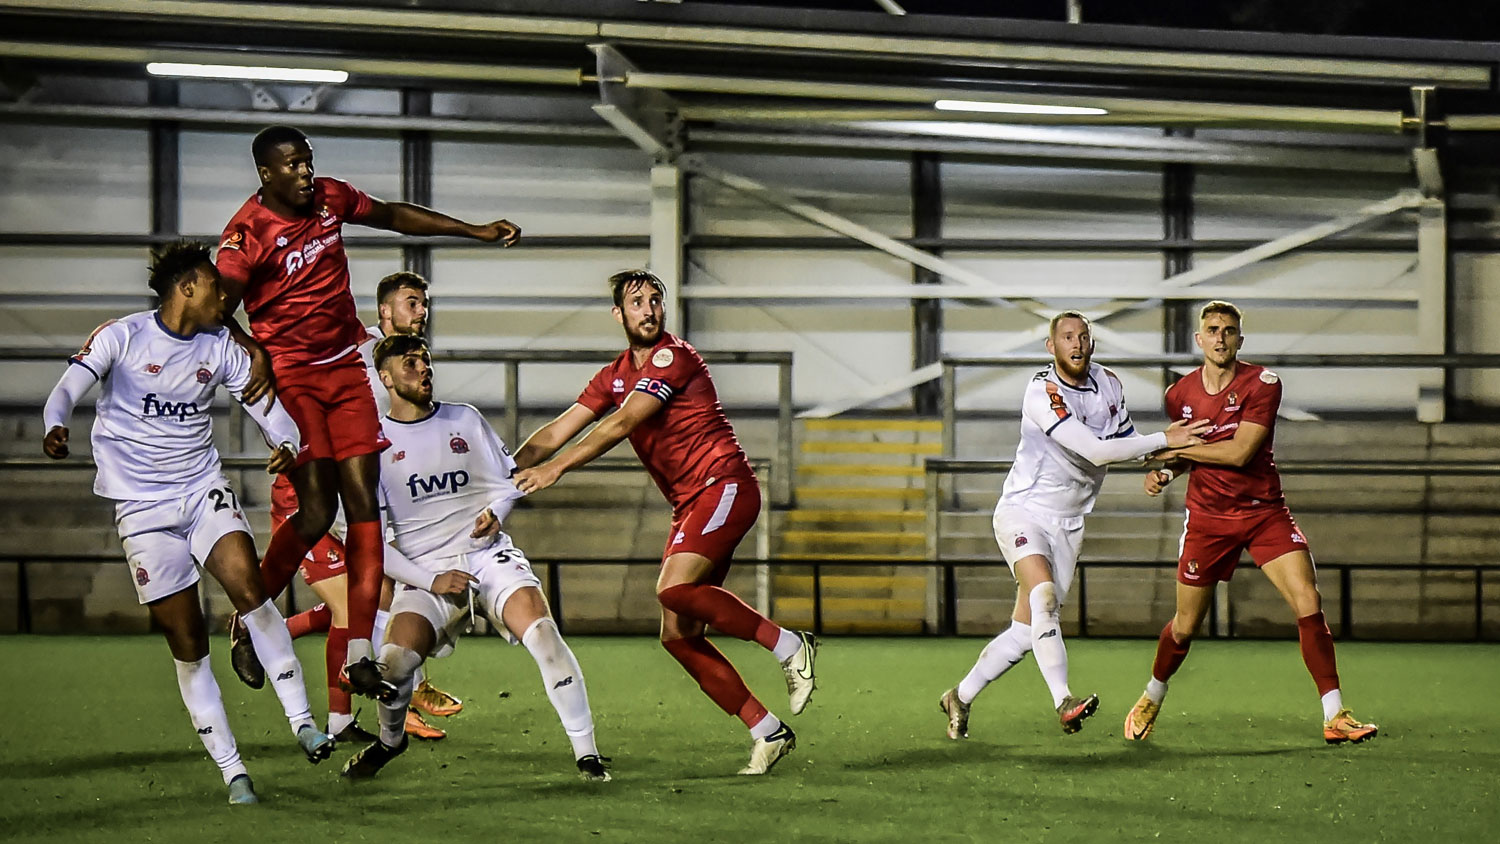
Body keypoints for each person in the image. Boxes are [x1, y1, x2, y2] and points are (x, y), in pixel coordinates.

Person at [215, 125, 521, 700]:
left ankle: (360, 650)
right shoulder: (246, 234)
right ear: (266, 173)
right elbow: (215, 308)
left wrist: (471, 230)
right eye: (294, 166)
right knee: (314, 512)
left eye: (309, 162)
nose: (307, 174)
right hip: (293, 374)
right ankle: (247, 619)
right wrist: (252, 348)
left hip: (344, 369)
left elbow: (393, 215)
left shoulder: (330, 197)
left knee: (364, 509)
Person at [40, 241, 336, 805]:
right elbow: (67, 389)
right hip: (143, 511)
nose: (226, 297)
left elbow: (267, 408)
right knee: (189, 642)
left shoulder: (220, 346)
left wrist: (287, 441)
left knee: (251, 589)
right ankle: (234, 772)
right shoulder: (122, 337)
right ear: (187, 288)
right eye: (215, 286)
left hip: (202, 493)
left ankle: (302, 721)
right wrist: (57, 424)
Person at [511, 269, 816, 776]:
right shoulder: (612, 375)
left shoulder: (672, 357)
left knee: (672, 590)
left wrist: (556, 468)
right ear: (618, 314)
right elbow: (558, 430)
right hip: (691, 504)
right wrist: (506, 474)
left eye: (656, 300)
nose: (649, 310)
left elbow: (623, 421)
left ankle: (789, 645)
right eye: (637, 303)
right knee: (678, 636)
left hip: (725, 486)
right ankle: (767, 730)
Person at [340, 334, 608, 782]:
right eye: (410, 364)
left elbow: (506, 482)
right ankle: (389, 742)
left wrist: (496, 515)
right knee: (396, 666)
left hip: (488, 558)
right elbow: (369, 545)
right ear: (384, 378)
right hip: (426, 572)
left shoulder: (465, 419)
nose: (423, 369)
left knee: (544, 637)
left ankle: (588, 758)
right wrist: (432, 582)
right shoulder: (373, 448)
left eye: (425, 361)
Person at [938, 311, 1208, 741]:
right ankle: (1064, 701)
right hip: (1023, 512)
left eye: (1083, 336)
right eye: (1067, 337)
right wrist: (1163, 440)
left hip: (1069, 525)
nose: (1077, 343)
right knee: (1043, 594)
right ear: (1052, 347)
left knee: (1027, 631)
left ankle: (960, 696)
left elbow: (1124, 442)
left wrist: (1166, 466)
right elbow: (1096, 452)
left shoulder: (1109, 385)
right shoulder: (1041, 391)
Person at [1123, 301, 1379, 745]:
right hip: (1207, 520)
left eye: (1229, 330)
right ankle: (1152, 694)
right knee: (1185, 625)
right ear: (1198, 339)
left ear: (1240, 338)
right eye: (1212, 329)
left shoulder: (1263, 383)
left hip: (1264, 513)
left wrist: (1173, 451)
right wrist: (1168, 469)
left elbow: (1239, 453)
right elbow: (1189, 450)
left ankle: (1334, 714)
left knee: (1307, 600)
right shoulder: (1179, 394)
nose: (1220, 336)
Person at [242, 271, 455, 742]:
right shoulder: (358, 355)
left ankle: (341, 716)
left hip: (367, 492)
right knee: (356, 606)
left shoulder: (408, 363)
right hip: (317, 497)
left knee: (372, 600)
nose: (421, 312)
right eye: (411, 303)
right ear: (384, 311)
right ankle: (399, 694)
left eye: (424, 304)